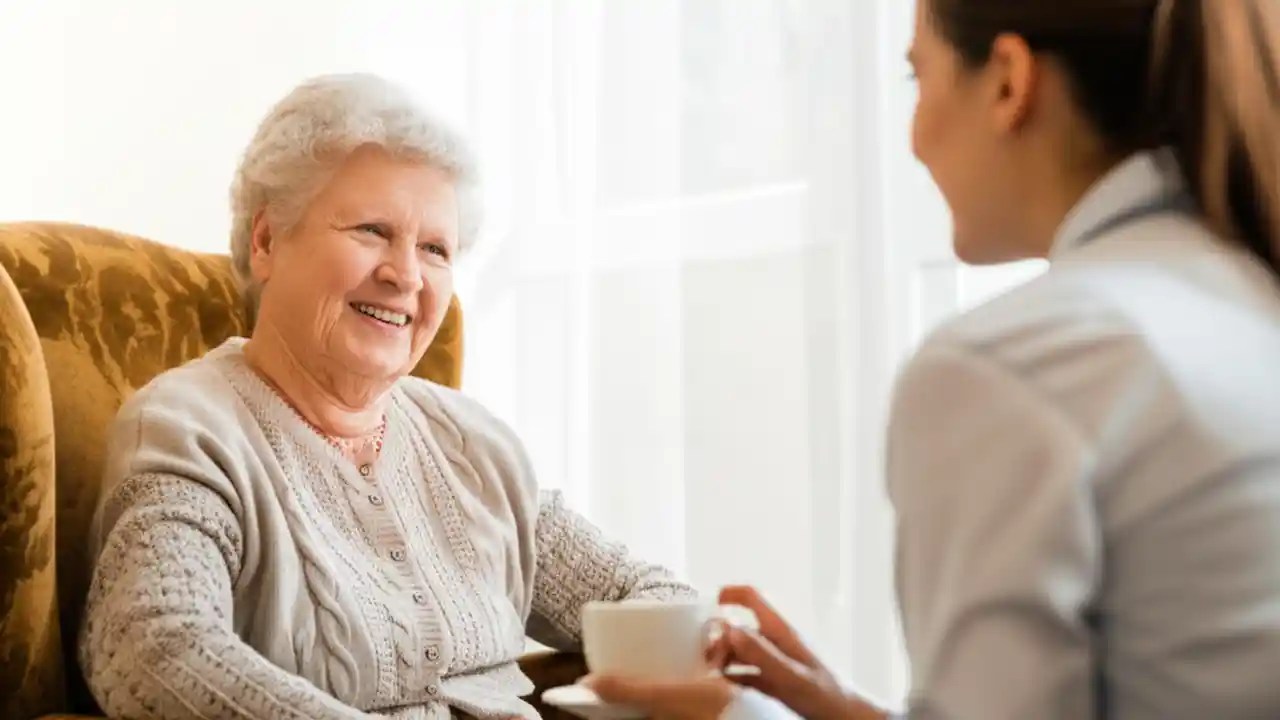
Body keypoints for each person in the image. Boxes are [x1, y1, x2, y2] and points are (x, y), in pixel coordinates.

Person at [590, 0, 1280, 718]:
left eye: (915, 77)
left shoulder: (1010, 367)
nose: (914, 140)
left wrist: (738, 717)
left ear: (1008, 81)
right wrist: (838, 708)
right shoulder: (1241, 296)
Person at [78, 73, 695, 720]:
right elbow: (151, 649)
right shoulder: (191, 432)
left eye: (434, 249)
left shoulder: (473, 447)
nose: (405, 275)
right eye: (372, 230)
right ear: (267, 240)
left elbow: (647, 597)